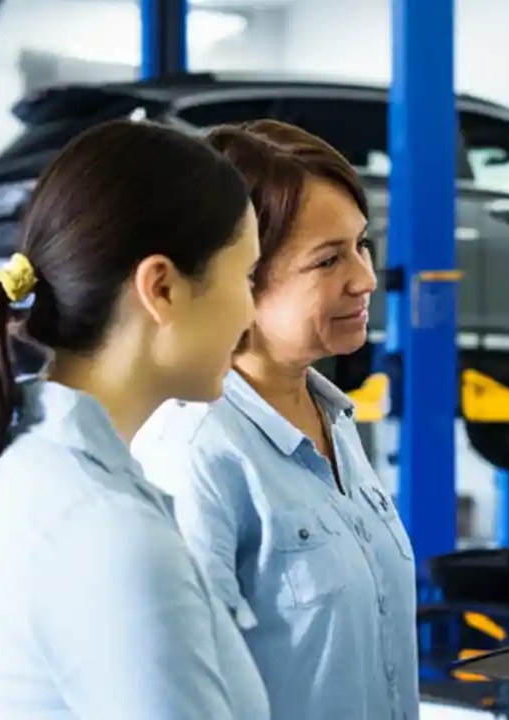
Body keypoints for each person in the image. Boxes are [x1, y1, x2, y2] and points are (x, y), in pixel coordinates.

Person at [0, 119, 270, 719]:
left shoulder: (42, 471)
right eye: (245, 277)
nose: (251, 312)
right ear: (161, 288)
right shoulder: (109, 533)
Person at [132, 121, 418, 720]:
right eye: (328, 260)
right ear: (241, 275)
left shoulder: (334, 419)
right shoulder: (196, 453)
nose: (366, 278)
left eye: (362, 245)